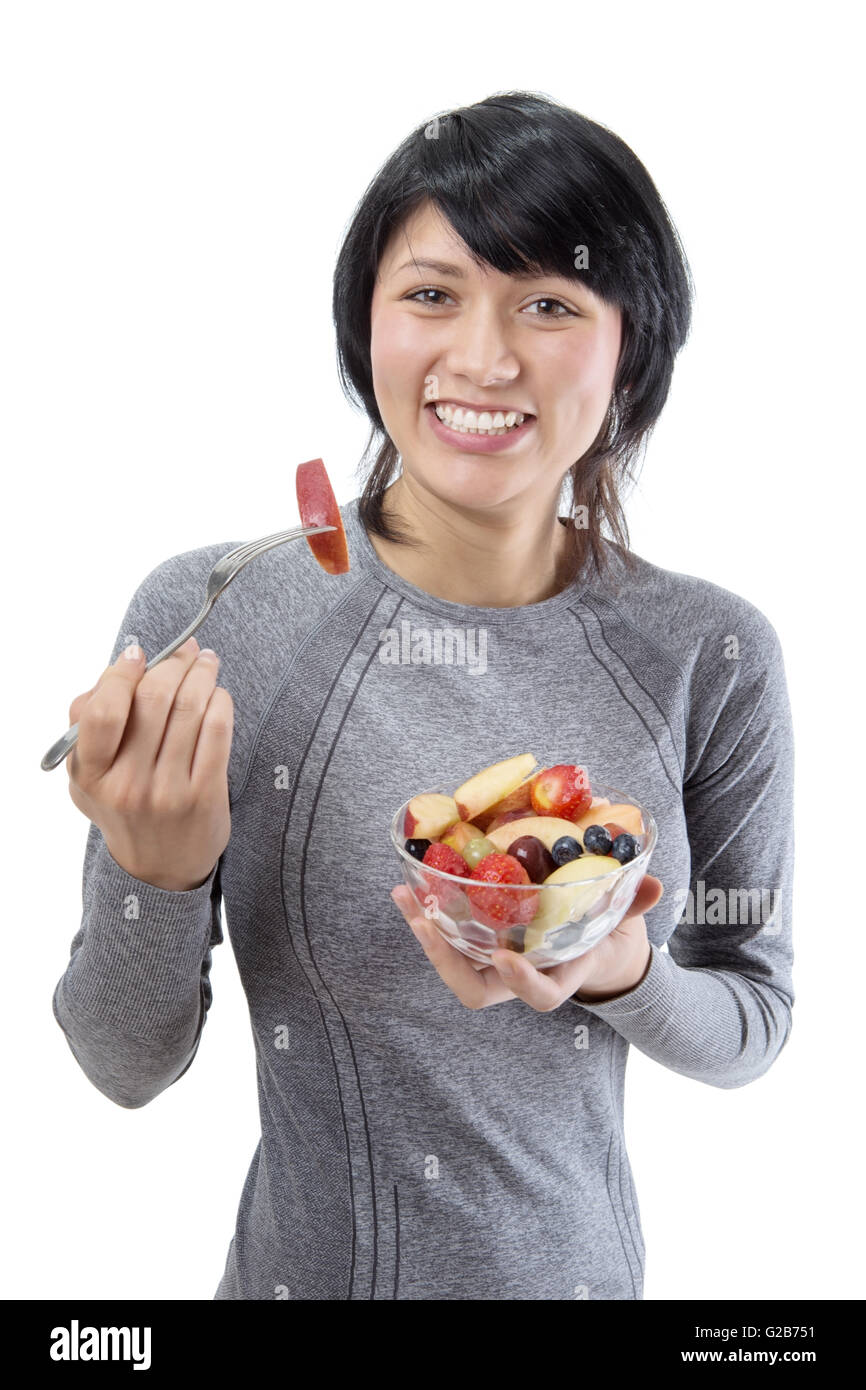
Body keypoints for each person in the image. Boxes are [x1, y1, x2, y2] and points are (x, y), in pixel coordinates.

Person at [53, 92, 795, 1300]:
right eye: (432, 293)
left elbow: (752, 1016)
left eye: (549, 303)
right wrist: (156, 867)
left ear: (631, 347)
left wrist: (617, 971)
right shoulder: (214, 616)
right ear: (364, 324)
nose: (482, 359)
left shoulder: (708, 652)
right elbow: (121, 1065)